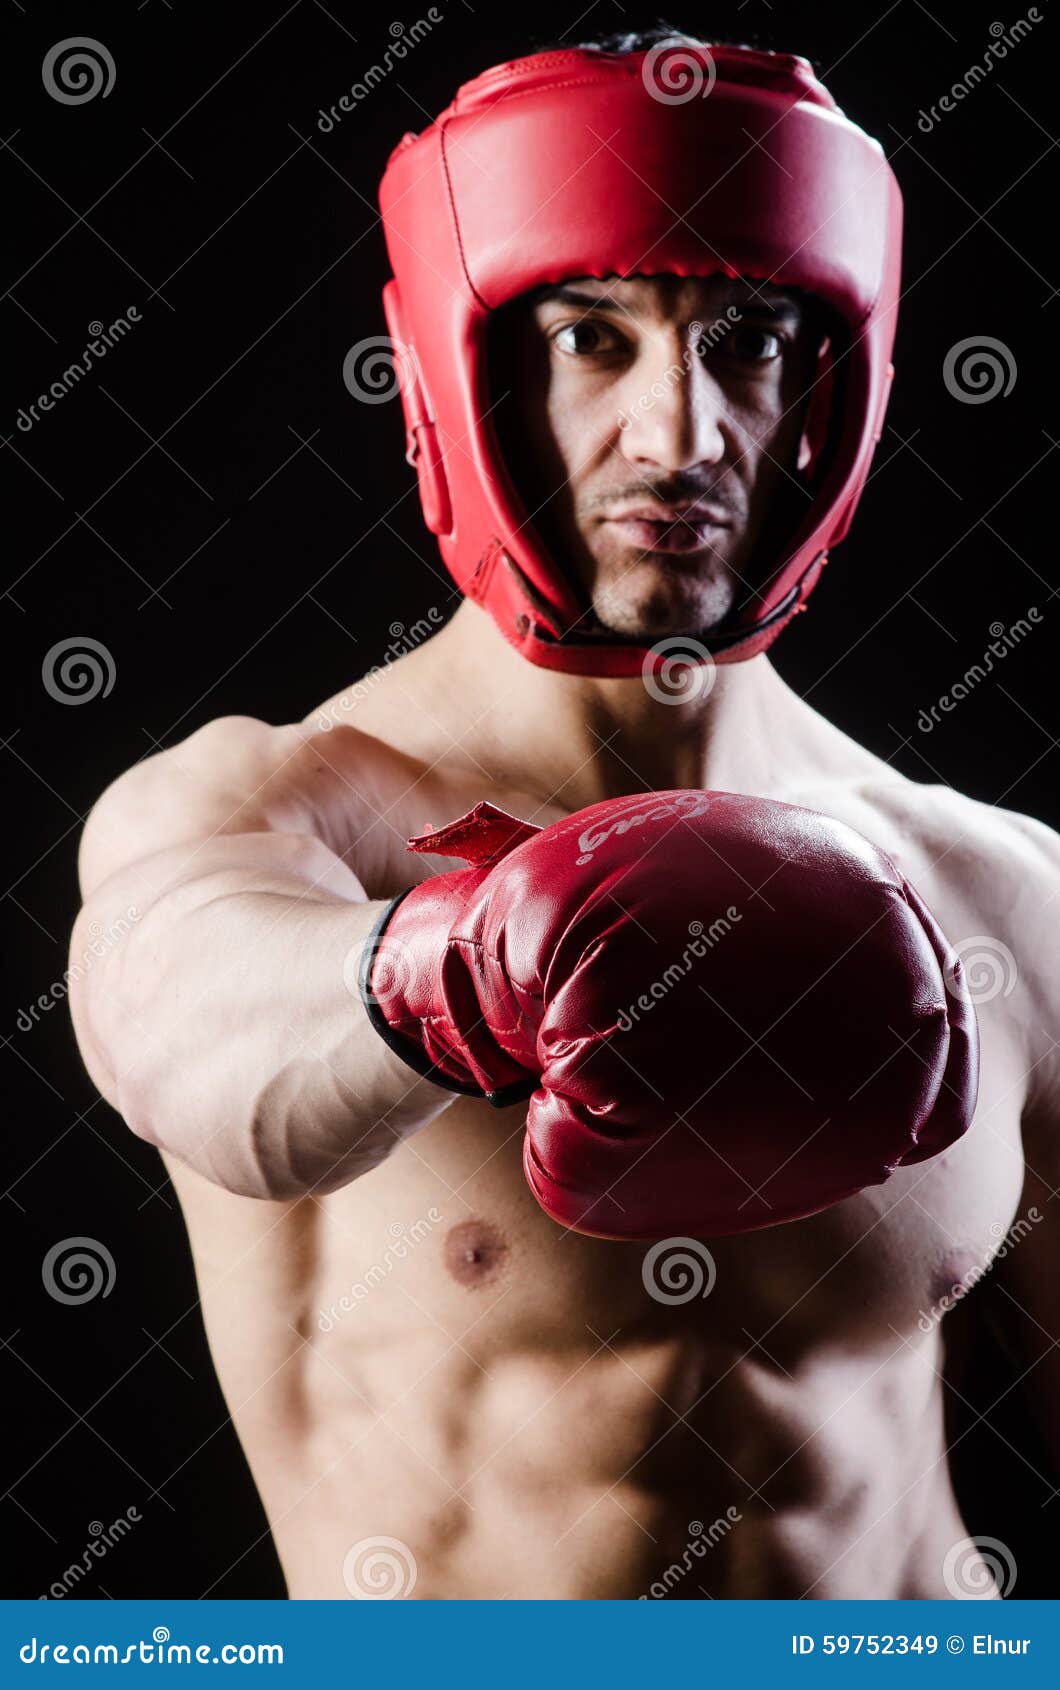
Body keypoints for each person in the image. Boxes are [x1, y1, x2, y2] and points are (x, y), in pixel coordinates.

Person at [69, 30, 1058, 1600]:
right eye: (594, 340)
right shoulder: (278, 816)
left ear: (831, 381)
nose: (678, 438)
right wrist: (455, 965)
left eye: (745, 340)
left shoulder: (997, 890)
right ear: (461, 376)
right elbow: (185, 1030)